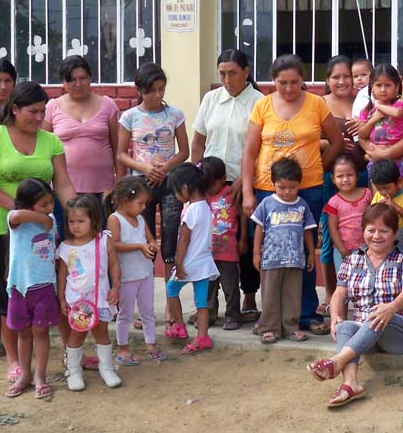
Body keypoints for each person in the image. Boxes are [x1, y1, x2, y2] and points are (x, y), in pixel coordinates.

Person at [0, 81, 75, 385]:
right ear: (14, 109)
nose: (39, 117)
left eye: (43, 111)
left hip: (42, 233)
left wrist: (78, 214)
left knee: (51, 289)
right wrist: (20, 211)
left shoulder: (51, 141)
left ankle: (70, 352)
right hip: (0, 227)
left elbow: (63, 183)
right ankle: (14, 360)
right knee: (10, 293)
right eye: (33, 111)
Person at [241, 54, 343, 333]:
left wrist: (319, 166)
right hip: (267, 191)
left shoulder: (316, 104)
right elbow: (249, 153)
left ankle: (306, 313)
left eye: (294, 82)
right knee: (270, 253)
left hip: (307, 191)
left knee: (304, 250)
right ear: (272, 81)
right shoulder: (262, 106)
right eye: (282, 83)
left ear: (303, 80)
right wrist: (248, 193)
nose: (288, 88)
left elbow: (336, 142)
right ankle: (272, 316)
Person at [306, 205, 403, 408]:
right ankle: (351, 384)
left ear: (395, 233)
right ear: (363, 231)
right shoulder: (352, 259)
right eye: (371, 230)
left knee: (378, 313)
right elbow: (339, 293)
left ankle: (337, 361)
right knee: (344, 326)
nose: (377, 236)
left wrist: (391, 307)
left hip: (401, 334)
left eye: (384, 230)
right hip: (366, 335)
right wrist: (334, 317)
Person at [191, 49, 263, 315]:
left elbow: (262, 147)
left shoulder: (259, 102)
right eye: (222, 74)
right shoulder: (211, 99)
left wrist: (243, 181)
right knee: (209, 240)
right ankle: (208, 303)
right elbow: (198, 142)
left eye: (233, 73)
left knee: (243, 239)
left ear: (246, 72)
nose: (227, 79)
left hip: (242, 181)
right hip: (210, 183)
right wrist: (197, 180)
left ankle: (249, 296)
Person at [118, 62, 188, 291]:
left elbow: (184, 151)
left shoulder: (175, 114)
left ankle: (170, 296)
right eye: (151, 91)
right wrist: (145, 168)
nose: (157, 95)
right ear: (139, 90)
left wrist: (164, 168)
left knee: (170, 236)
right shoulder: (129, 116)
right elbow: (121, 154)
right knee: (143, 236)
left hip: (170, 183)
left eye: (161, 89)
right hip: (141, 183)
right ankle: (145, 292)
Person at [318, 55, 368, 318]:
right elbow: (309, 138)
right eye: (335, 77)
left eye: (347, 76)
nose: (342, 81)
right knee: (331, 236)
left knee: (363, 235)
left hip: (363, 177)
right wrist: (333, 143)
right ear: (327, 80)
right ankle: (330, 294)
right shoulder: (320, 103)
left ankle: (362, 294)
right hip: (331, 178)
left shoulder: (365, 101)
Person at [57, 194, 122, 391]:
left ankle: (106, 367)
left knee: (102, 333)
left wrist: (116, 287)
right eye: (72, 222)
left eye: (81, 221)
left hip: (100, 299)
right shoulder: (65, 248)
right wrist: (61, 297)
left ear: (93, 220)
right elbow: (62, 274)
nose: (75, 226)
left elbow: (114, 264)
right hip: (78, 302)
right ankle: (73, 370)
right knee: (77, 335)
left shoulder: (103, 241)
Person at [3, 179, 60, 399]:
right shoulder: (16, 220)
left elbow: (51, 232)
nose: (49, 208)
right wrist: (41, 217)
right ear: (28, 205)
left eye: (51, 203)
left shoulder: (51, 221)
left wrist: (45, 217)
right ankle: (25, 374)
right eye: (43, 204)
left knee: (41, 332)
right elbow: (16, 215)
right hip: (20, 287)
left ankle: (40, 376)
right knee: (24, 333)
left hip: (44, 286)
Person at [252, 157, 317, 344]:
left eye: (292, 187)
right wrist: (256, 254)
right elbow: (259, 229)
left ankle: (291, 327)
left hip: (295, 260)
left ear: (299, 185)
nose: (287, 191)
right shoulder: (267, 203)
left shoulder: (302, 205)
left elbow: (307, 232)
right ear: (273, 183)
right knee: (270, 296)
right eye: (282, 187)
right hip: (271, 260)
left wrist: (311, 254)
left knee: (292, 296)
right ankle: (268, 328)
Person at [43, 55, 120, 206]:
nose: (78, 84)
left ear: (90, 78)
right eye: (72, 79)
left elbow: (118, 148)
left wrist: (120, 183)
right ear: (63, 82)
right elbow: (44, 149)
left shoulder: (108, 105)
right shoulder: (51, 107)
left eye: (83, 78)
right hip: (63, 190)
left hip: (103, 189)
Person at [106, 176, 166, 365]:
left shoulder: (140, 218)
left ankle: (151, 344)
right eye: (140, 203)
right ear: (125, 201)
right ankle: (123, 347)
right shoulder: (115, 219)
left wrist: (152, 245)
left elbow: (150, 238)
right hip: (127, 276)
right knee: (125, 313)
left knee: (147, 311)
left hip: (145, 272)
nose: (143, 207)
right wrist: (139, 246)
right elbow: (114, 245)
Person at [165, 164, 220, 355]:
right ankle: (202, 337)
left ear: (185, 188)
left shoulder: (190, 210)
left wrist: (178, 263)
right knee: (201, 301)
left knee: (171, 289)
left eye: (176, 191)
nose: (176, 195)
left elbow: (184, 239)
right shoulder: (205, 206)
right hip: (204, 262)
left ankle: (179, 326)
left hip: (189, 262)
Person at [202, 157, 246, 330]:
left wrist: (243, 239)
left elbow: (242, 214)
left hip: (228, 250)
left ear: (223, 178)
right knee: (209, 286)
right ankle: (209, 314)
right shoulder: (202, 196)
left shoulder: (231, 193)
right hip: (207, 251)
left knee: (230, 286)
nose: (209, 188)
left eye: (212, 184)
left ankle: (233, 315)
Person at [357, 64, 403, 180]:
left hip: (398, 157)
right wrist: (373, 119)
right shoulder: (366, 111)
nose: (383, 90)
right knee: (378, 188)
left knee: (401, 189)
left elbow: (397, 113)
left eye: (388, 85)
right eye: (378, 85)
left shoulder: (399, 105)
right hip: (377, 157)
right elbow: (361, 134)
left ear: (397, 87)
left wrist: (378, 106)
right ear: (372, 87)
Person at [322, 154, 370, 271]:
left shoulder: (367, 194)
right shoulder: (334, 202)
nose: (345, 179)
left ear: (357, 176)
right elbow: (332, 228)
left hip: (367, 249)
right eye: (340, 176)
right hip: (343, 250)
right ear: (333, 179)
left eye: (349, 175)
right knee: (345, 279)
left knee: (367, 277)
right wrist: (342, 249)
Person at [369, 159, 403, 252]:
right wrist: (377, 207)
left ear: (399, 182)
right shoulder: (378, 196)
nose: (383, 192)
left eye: (387, 188)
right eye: (379, 189)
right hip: (384, 242)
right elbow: (370, 217)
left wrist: (396, 207)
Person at [349, 57, 374, 121]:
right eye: (355, 76)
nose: (359, 78)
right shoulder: (361, 90)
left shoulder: (372, 89)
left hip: (367, 120)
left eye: (363, 75)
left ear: (372, 75)